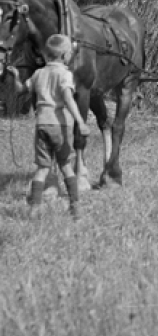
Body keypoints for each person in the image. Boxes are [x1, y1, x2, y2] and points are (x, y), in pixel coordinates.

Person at [6, 34, 90, 220]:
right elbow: (68, 99)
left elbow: (20, 91)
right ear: (64, 56)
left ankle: (34, 209)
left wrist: (16, 76)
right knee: (66, 166)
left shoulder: (38, 74)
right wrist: (81, 122)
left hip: (42, 125)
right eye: (70, 53)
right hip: (60, 126)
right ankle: (75, 207)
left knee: (42, 169)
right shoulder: (65, 75)